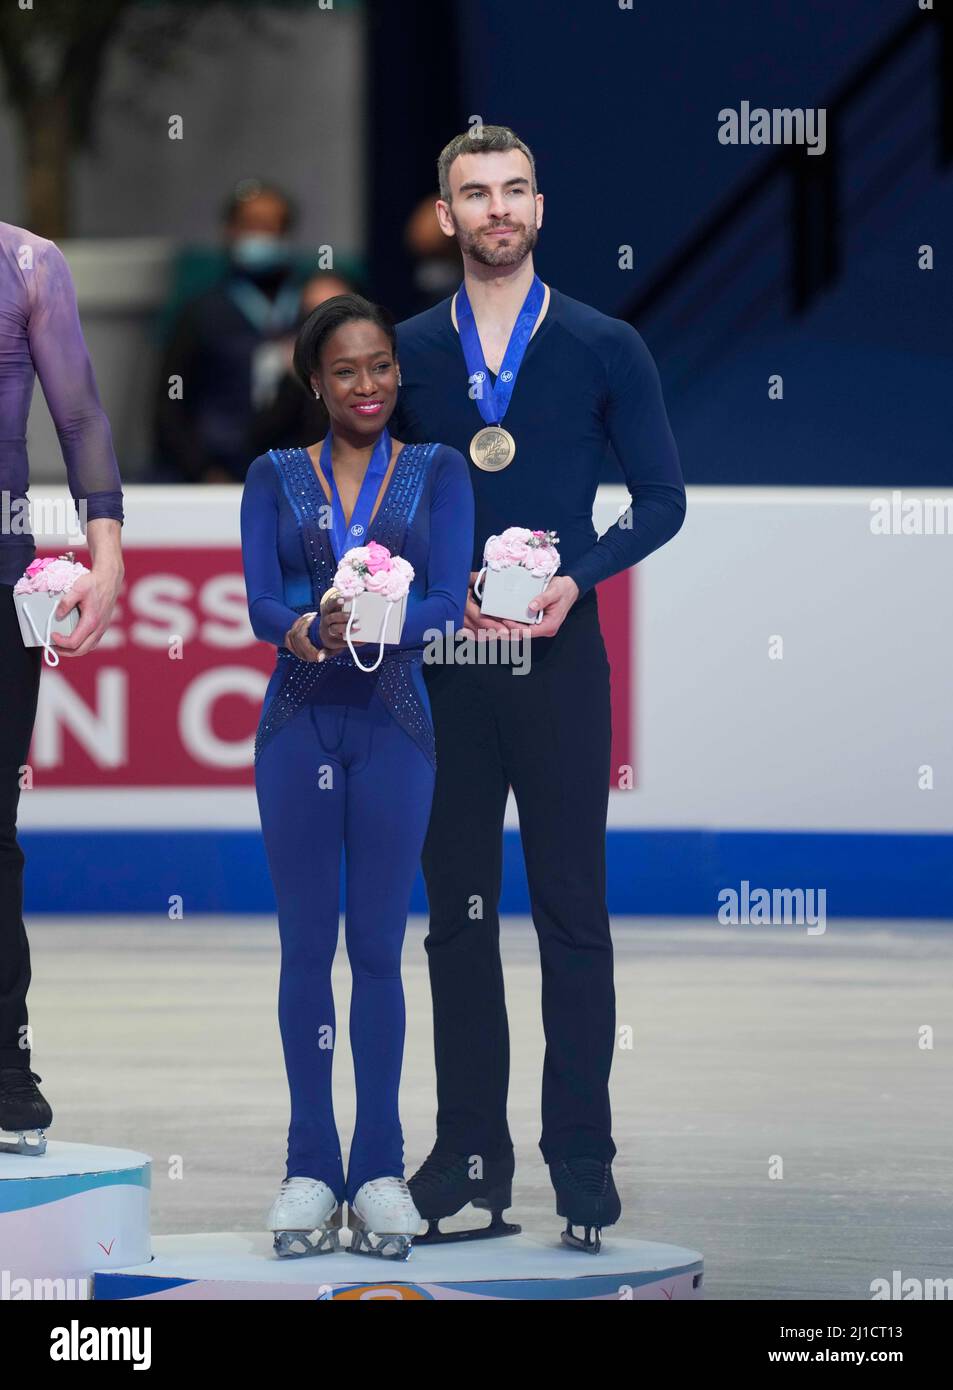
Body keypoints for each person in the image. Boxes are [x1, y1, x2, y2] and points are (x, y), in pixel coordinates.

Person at [391, 126, 687, 1252]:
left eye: (513, 190)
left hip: (559, 663)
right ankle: (469, 1159)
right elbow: (373, 502)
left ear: (540, 208)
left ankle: (581, 1160)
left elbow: (659, 499)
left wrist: (576, 578)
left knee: (572, 914)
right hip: (447, 673)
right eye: (475, 193)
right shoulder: (408, 349)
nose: (496, 208)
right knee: (458, 921)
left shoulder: (605, 344)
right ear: (445, 212)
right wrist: (411, 594)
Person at [240, 293, 474, 1258]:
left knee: (377, 947)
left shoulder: (438, 471)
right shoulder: (272, 475)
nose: (367, 385)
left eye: (380, 366)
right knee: (306, 948)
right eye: (345, 371)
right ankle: (308, 1167)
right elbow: (259, 599)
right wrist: (306, 628)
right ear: (313, 382)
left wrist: (383, 625)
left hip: (396, 725)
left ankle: (377, 1168)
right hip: (298, 725)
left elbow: (450, 601)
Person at [0, 222, 124, 1155]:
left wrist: (107, 555)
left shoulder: (28, 263)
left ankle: (5, 1063)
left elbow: (79, 417)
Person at [154, 179, 303, 483]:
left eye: (271, 226)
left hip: (295, 474)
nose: (261, 236)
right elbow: (168, 411)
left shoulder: (308, 311)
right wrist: (204, 471)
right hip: (216, 475)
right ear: (230, 232)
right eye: (251, 225)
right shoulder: (200, 313)